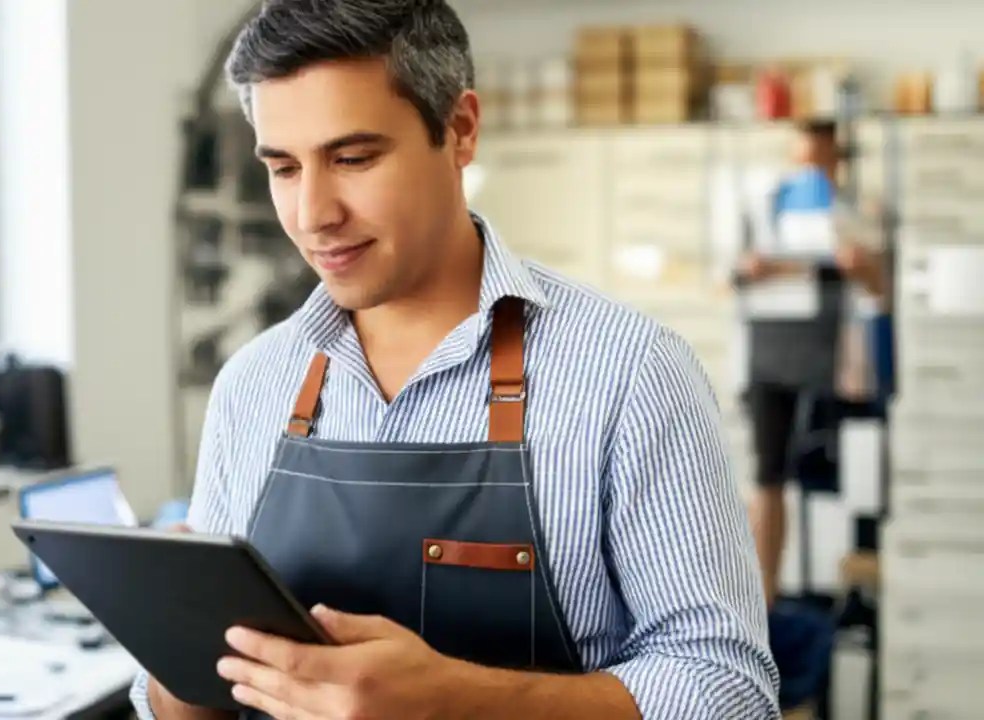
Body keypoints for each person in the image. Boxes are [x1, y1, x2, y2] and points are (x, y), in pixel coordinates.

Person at [134, 2, 778, 718]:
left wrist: (455, 699)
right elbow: (189, 702)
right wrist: (175, 642)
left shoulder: (629, 374)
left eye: (352, 159)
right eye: (283, 168)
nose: (314, 214)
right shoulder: (251, 385)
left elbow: (730, 691)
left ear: (461, 129)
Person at [738, 120, 888, 607]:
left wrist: (862, 267)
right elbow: (727, 274)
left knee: (842, 480)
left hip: (833, 362)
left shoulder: (858, 213)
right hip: (771, 355)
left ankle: (848, 596)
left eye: (820, 160)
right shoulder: (765, 207)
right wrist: (751, 269)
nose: (810, 170)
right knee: (768, 478)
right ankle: (763, 600)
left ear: (837, 161)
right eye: (803, 160)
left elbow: (883, 291)